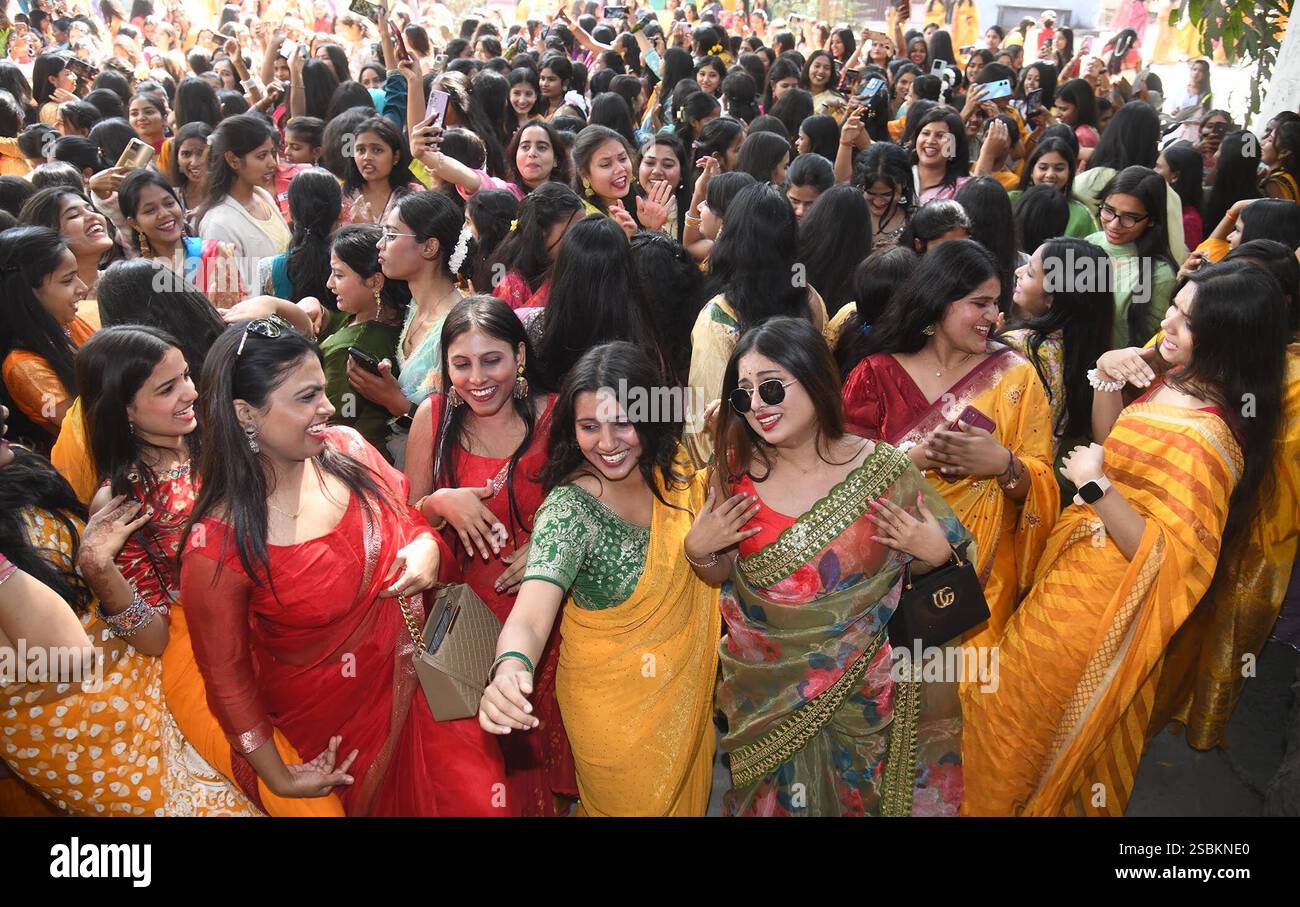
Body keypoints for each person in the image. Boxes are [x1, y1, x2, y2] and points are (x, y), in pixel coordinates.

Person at [962, 261, 1289, 815]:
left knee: (1030, 715)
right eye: (1175, 307)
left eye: (1185, 321)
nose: (1168, 322)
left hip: (1110, 604)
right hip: (1073, 574)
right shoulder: (1177, 380)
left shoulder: (1209, 440)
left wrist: (1094, 488)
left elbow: (1167, 557)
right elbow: (1113, 439)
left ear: (1226, 340)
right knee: (1007, 700)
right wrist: (1108, 379)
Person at [179, 319, 511, 816]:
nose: (328, 407)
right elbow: (226, 676)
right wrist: (278, 775)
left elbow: (412, 521)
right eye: (307, 396)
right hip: (335, 729)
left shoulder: (348, 450)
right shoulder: (218, 546)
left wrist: (425, 549)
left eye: (324, 391)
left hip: (432, 684)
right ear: (245, 414)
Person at [691, 316, 971, 815]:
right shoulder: (734, 475)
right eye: (743, 395)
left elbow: (949, 581)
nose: (756, 405)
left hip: (871, 702)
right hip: (766, 700)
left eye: (771, 388)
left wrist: (936, 557)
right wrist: (699, 550)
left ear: (817, 380)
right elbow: (723, 575)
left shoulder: (885, 471)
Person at [74, 325, 344, 817]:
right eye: (167, 388)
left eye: (187, 376)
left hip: (291, 614)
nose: (192, 393)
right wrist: (100, 570)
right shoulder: (122, 500)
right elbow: (156, 640)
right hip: (201, 651)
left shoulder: (235, 437)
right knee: (309, 805)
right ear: (123, 410)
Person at [478, 341, 719, 816]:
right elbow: (530, 615)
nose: (607, 443)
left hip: (687, 701)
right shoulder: (570, 510)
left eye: (622, 423)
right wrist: (509, 668)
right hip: (612, 719)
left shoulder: (677, 472)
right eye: (589, 427)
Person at [841, 239, 1059, 651]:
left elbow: (1042, 483)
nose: (993, 318)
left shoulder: (1015, 376)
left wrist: (1004, 465)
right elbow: (837, 479)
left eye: (996, 305)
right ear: (939, 300)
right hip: (884, 567)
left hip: (982, 574)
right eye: (979, 303)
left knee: (969, 701)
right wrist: (913, 460)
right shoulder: (876, 373)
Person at [405, 296, 577, 816]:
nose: (478, 378)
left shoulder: (556, 415)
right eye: (462, 363)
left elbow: (593, 499)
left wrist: (550, 542)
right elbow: (404, 520)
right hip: (462, 621)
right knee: (480, 773)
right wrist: (439, 503)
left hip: (546, 620)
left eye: (492, 360)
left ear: (519, 357)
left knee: (542, 748)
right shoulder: (431, 419)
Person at [685, 182, 827, 466]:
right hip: (808, 450)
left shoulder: (719, 317)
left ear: (731, 236)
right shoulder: (810, 298)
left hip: (748, 465)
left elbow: (704, 417)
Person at [347, 191, 466, 464]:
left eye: (390, 235)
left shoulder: (458, 324)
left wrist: (396, 403)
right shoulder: (414, 303)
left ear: (429, 247)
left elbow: (462, 423)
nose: (379, 245)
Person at [319, 224, 408, 454]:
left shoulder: (348, 348)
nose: (329, 283)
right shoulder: (404, 318)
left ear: (375, 281)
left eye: (339, 275)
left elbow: (333, 424)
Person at [0, 225, 92, 442]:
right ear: (27, 294)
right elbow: (87, 429)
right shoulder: (24, 367)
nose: (83, 288)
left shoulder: (69, 322)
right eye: (67, 280)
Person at [118, 168, 243, 310]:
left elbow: (235, 317)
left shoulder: (216, 253)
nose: (164, 214)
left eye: (169, 203)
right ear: (134, 223)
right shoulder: (137, 277)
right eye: (150, 210)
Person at [196, 114, 290, 294]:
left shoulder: (262, 195)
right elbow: (233, 293)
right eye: (262, 156)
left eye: (272, 153)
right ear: (233, 160)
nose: (272, 163)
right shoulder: (218, 224)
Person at [1086, 166, 1178, 349]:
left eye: (1130, 218)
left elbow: (1151, 343)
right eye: (1108, 210)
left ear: (1151, 220)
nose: (1114, 224)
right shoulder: (1091, 241)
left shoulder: (1159, 274)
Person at [488, 182, 585, 312]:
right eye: (575, 232)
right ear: (542, 233)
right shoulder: (511, 286)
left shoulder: (583, 267)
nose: (586, 237)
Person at [1009, 137, 1095, 238]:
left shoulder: (1080, 215)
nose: (1050, 175)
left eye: (1059, 168)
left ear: (1070, 172)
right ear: (1032, 171)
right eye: (1043, 168)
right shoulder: (1011, 200)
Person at [1155, 141, 1205, 250]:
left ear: (1175, 176)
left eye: (1158, 167)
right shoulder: (1161, 204)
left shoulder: (1188, 221)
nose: (1153, 171)